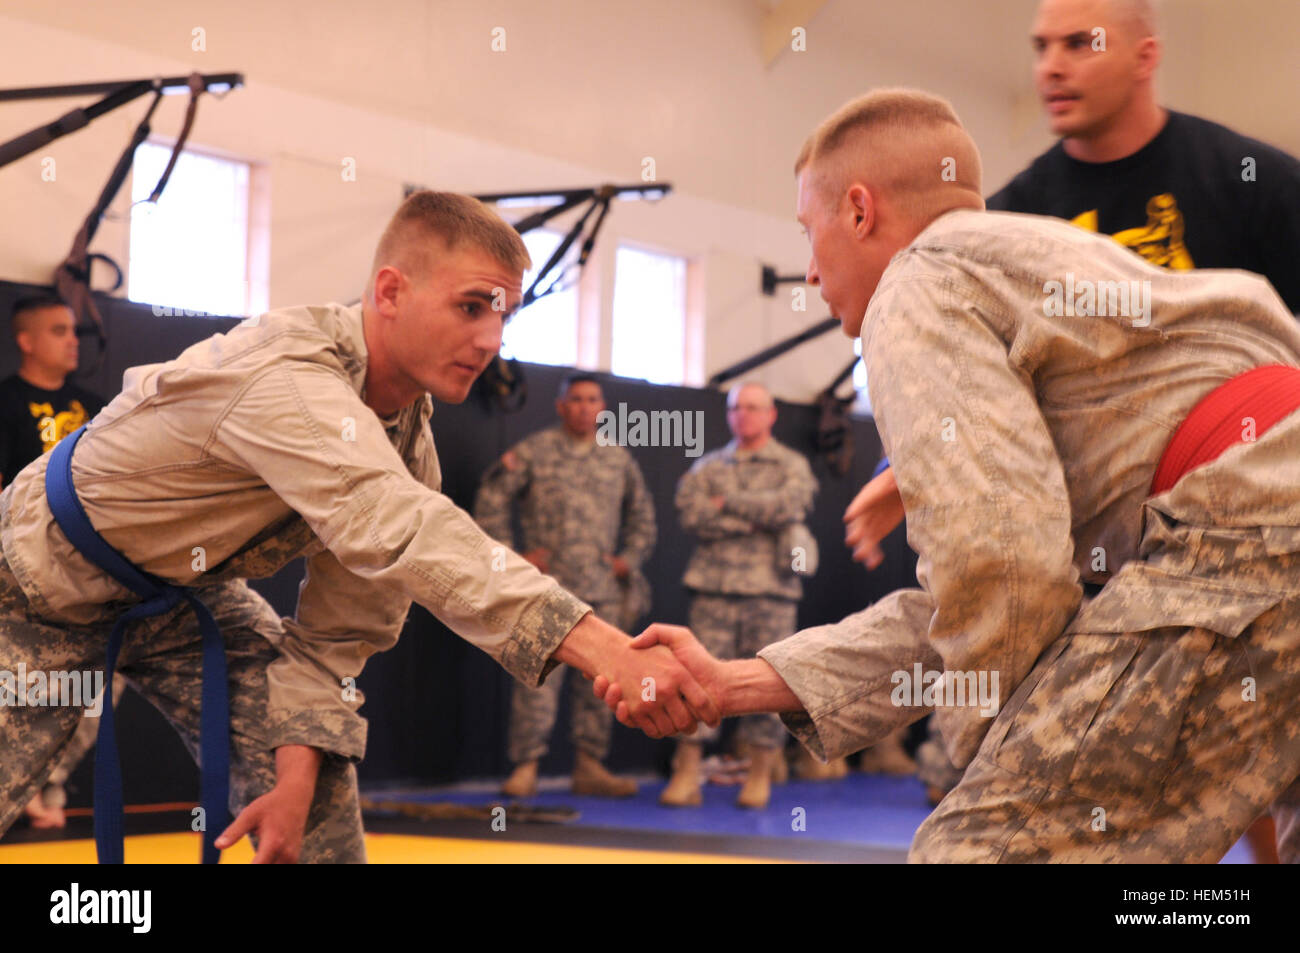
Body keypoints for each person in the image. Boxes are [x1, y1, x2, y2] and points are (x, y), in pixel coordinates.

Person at [598, 88, 1300, 862]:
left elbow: (1000, 573)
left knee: (979, 849)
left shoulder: (916, 281)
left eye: (810, 229)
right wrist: (740, 683)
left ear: (860, 211)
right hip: (1262, 535)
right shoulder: (1060, 266)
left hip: (1253, 547)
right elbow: (980, 595)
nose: (810, 267)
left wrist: (983, 758)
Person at [0, 190, 717, 863]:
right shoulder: (288, 374)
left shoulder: (407, 442)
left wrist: (292, 782)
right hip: (36, 580)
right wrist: (605, 647)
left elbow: (339, 636)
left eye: (503, 316)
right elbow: (401, 525)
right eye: (471, 307)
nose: (491, 337)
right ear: (390, 291)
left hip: (186, 599)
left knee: (317, 791)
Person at [901, 1, 1300, 859]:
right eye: (1039, 47)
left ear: (1147, 55)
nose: (1051, 66)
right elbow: (974, 400)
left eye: (1080, 44)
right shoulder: (1018, 218)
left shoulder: (1248, 176)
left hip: (1253, 496)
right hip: (1121, 534)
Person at [474, 373, 656, 798]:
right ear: (560, 406)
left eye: (592, 399)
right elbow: (492, 498)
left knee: (602, 684)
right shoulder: (535, 451)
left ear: (603, 408)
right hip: (545, 592)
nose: (583, 407)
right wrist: (510, 556)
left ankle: (590, 766)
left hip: (600, 591)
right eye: (575, 399)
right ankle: (526, 768)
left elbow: (643, 517)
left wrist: (626, 561)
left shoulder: (618, 459)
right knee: (534, 682)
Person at [658, 382, 817, 809]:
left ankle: (761, 772)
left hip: (772, 592)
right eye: (736, 408)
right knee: (696, 680)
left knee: (769, 685)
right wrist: (753, 520)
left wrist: (727, 503)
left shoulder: (792, 465)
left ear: (771, 414)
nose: (743, 414)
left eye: (753, 407)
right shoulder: (708, 466)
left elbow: (790, 505)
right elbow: (692, 515)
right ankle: (687, 770)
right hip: (713, 589)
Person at [0, 295, 110, 829]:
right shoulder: (5, 403)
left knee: (93, 692)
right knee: (20, 688)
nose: (72, 340)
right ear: (26, 340)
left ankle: (52, 782)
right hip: (25, 571)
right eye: (58, 330)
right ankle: (20, 789)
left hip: (96, 573)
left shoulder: (100, 408)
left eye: (75, 331)